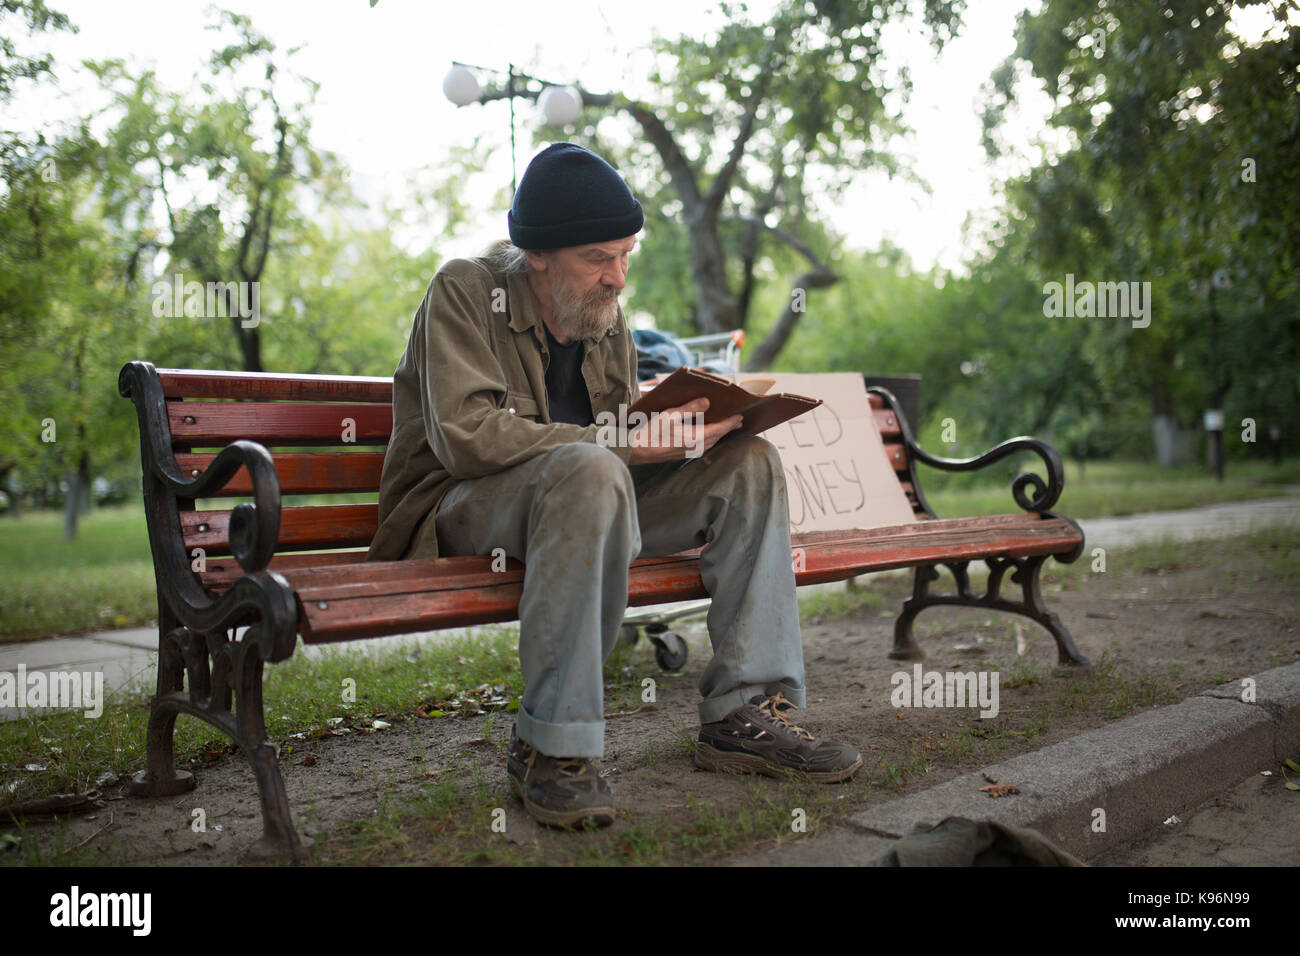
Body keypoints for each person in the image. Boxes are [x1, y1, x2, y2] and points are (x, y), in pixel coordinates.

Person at [369, 142, 862, 829]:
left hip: (586, 498)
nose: (619, 278)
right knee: (593, 467)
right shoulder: (464, 290)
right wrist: (622, 443)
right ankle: (550, 748)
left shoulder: (605, 316)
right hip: (461, 508)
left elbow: (619, 439)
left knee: (750, 465)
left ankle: (740, 715)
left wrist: (694, 431)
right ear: (539, 253)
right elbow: (467, 436)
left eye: (627, 254)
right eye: (599, 258)